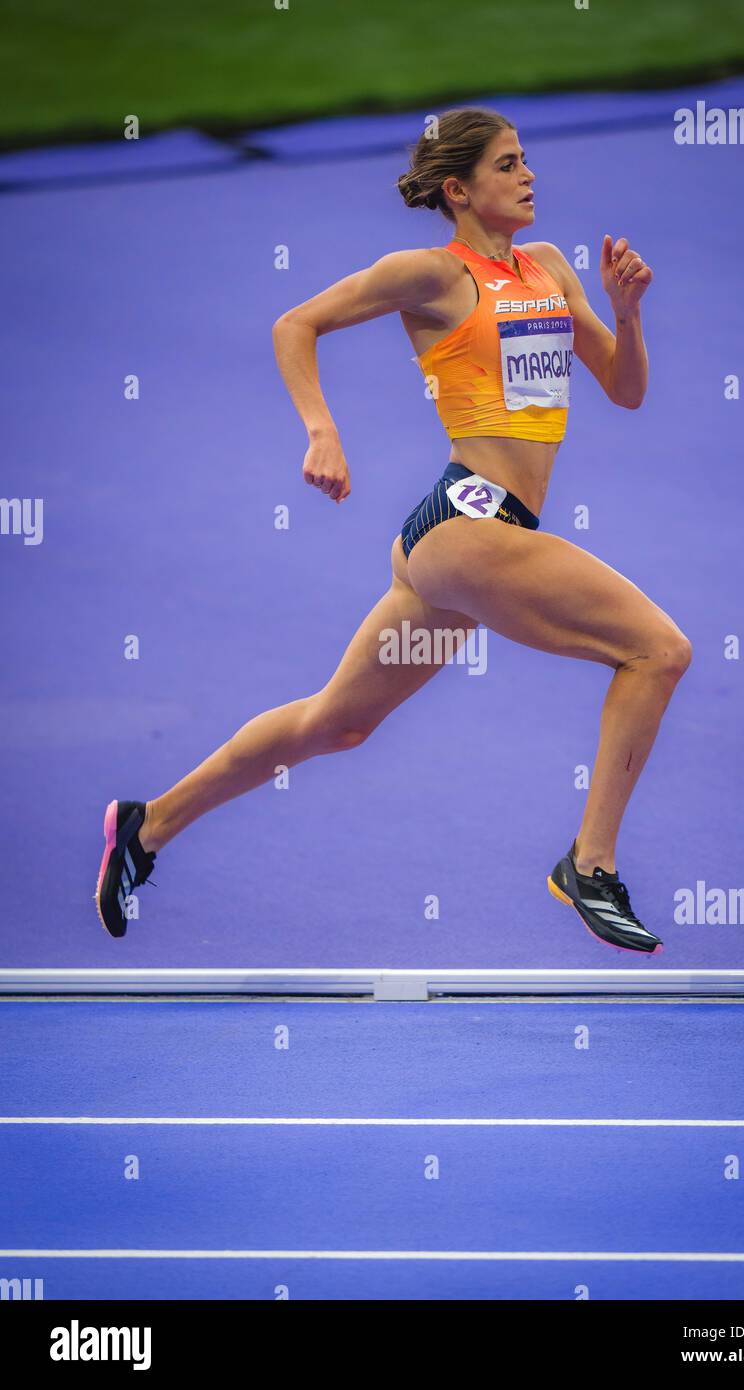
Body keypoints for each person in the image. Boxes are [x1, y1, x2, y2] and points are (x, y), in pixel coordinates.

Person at [95, 106, 691, 954]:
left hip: (458, 547)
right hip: (467, 529)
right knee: (658, 651)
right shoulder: (430, 274)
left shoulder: (552, 267)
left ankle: (145, 826)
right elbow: (294, 324)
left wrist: (629, 314)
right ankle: (589, 867)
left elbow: (624, 389)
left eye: (528, 159)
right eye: (508, 164)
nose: (529, 175)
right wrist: (322, 431)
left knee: (336, 723)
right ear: (459, 189)